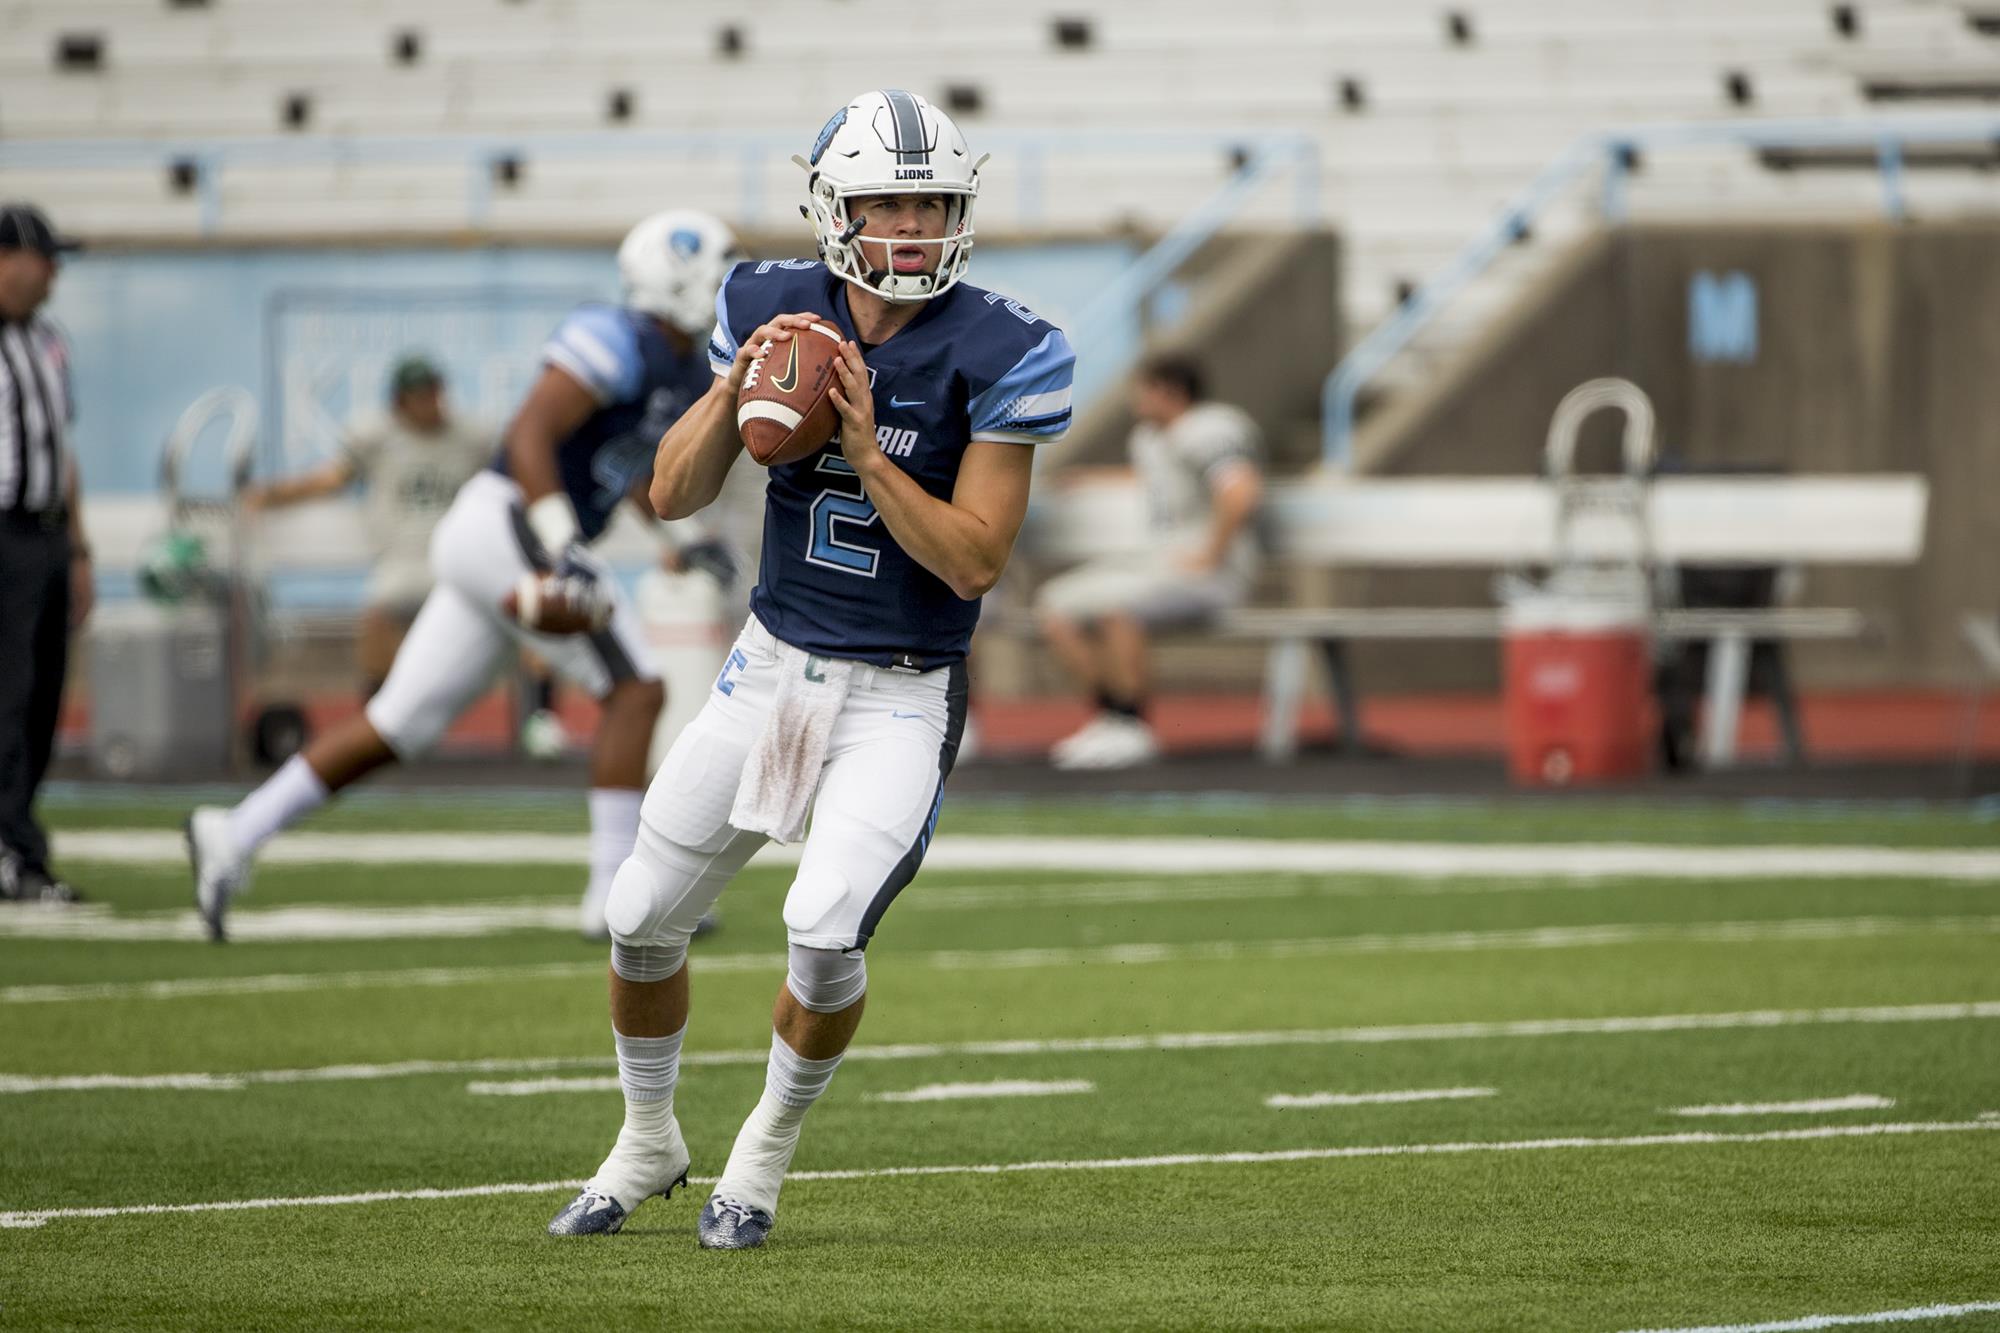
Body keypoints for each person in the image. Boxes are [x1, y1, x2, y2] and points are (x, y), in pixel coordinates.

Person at [545, 89, 1074, 1250]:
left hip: (898, 687)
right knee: (638, 915)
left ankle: (762, 1156)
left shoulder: (1005, 346)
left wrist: (859, 449)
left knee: (824, 930)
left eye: (930, 201)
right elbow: (669, 493)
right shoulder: (767, 306)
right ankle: (646, 1138)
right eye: (886, 198)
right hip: (770, 667)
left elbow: (975, 560)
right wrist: (739, 388)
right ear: (833, 207)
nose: (910, 224)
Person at [186, 209, 744, 941]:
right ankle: (613, 891)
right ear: (673, 277)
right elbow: (531, 432)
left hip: (505, 534)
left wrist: (683, 534)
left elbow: (622, 469)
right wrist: (558, 541)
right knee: (637, 686)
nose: (726, 286)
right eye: (715, 271)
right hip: (510, 520)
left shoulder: (677, 361)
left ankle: (234, 831)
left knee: (397, 724)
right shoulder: (618, 337)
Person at [1034, 354, 1264, 770]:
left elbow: (1241, 493)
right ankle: (1112, 718)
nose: (1135, 399)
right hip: (1162, 562)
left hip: (1212, 571)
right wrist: (1092, 478)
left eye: (1144, 389)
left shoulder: (1210, 428)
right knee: (1055, 605)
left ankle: (1134, 726)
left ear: (1170, 391)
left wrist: (1211, 552)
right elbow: (1163, 482)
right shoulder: (1152, 438)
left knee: (1118, 609)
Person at [242, 356, 494, 700]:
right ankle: (380, 713)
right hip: (401, 563)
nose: (433, 402)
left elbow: (503, 489)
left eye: (436, 391)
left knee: (525, 608)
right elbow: (330, 479)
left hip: (456, 562)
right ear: (400, 401)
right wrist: (270, 495)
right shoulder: (377, 437)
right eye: (422, 394)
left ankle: (536, 718)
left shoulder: (473, 438)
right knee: (377, 614)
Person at [0, 204, 89, 904]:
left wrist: (79, 547)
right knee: (7, 693)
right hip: (2, 531)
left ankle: (20, 843)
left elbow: (64, 451)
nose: (55, 271)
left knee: (39, 696)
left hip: (46, 536)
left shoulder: (48, 342)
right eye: (45, 257)